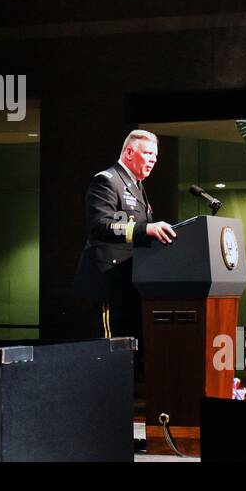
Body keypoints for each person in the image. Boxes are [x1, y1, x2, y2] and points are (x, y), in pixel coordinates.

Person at [73, 130, 176, 343]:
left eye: (155, 157)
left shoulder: (137, 186)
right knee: (110, 351)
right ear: (129, 152)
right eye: (148, 154)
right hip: (108, 280)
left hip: (129, 281)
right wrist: (146, 229)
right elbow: (100, 226)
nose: (153, 161)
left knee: (128, 351)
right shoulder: (107, 181)